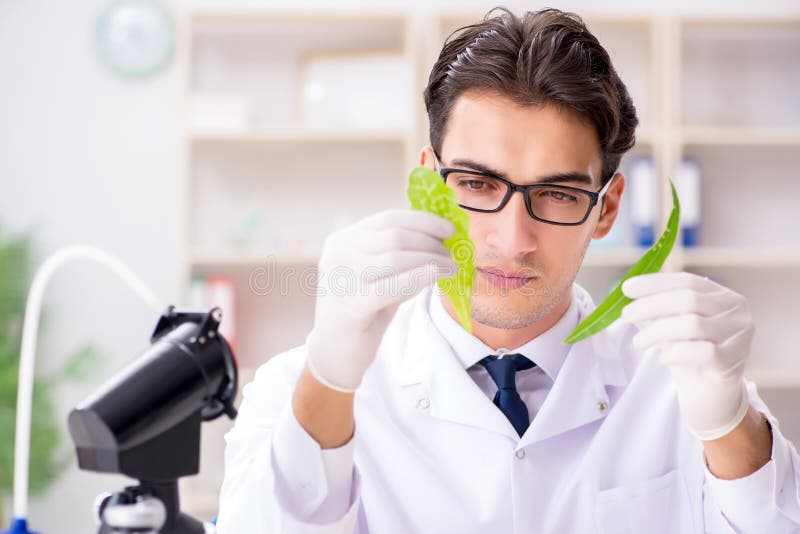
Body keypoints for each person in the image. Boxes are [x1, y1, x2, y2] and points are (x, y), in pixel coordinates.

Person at [216, 7, 800, 533]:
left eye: (558, 194)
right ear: (428, 186)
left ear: (607, 210)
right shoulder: (298, 390)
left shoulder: (685, 387)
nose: (513, 239)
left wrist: (729, 426)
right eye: (477, 184)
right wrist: (328, 382)